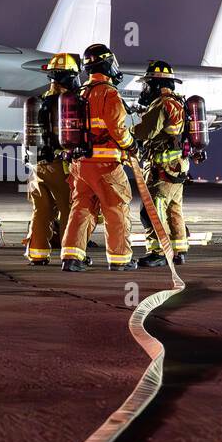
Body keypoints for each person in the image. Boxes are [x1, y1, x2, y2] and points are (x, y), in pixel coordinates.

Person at [60, 43, 136, 271]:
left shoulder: (81, 93)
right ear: (107, 63)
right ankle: (120, 259)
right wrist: (130, 144)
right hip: (105, 165)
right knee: (116, 208)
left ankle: (71, 258)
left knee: (81, 208)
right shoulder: (108, 92)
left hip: (80, 165)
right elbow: (117, 128)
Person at [24, 52, 80, 265]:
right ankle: (70, 255)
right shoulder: (68, 104)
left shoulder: (41, 100)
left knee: (41, 211)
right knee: (69, 209)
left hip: (38, 166)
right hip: (61, 165)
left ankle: (37, 255)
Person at [133, 59, 190, 267]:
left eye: (147, 84)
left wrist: (126, 129)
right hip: (178, 168)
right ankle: (178, 250)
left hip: (161, 170)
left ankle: (158, 252)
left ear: (156, 85)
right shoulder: (179, 103)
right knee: (174, 209)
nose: (145, 88)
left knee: (151, 211)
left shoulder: (161, 105)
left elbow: (145, 132)